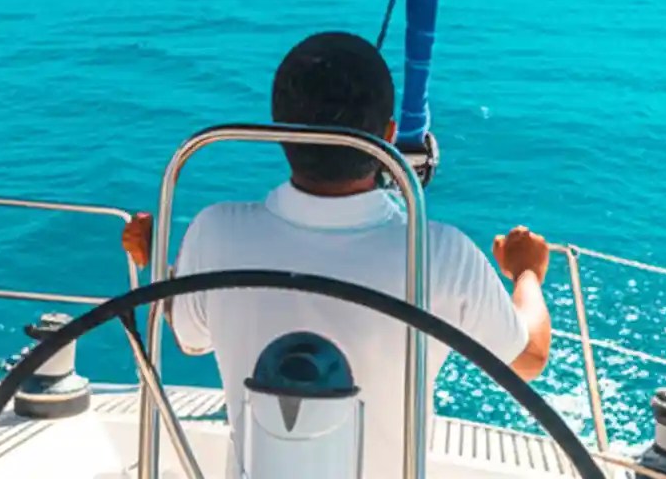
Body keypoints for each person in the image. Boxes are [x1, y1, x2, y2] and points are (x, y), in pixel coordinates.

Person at [121, 31, 552, 479]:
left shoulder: (215, 233)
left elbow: (190, 336)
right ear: (388, 136)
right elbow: (529, 357)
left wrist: (160, 263)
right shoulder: (440, 254)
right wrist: (527, 271)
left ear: (278, 131)